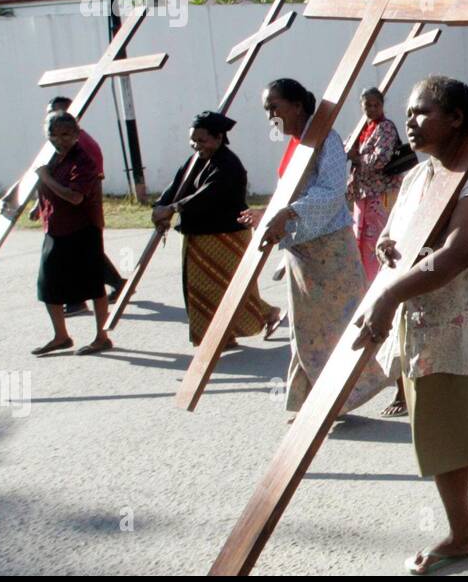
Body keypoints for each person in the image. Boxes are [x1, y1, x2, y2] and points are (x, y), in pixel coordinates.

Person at [354, 76, 468, 574]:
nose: (410, 122)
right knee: (444, 439)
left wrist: (391, 292)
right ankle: (463, 532)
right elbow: (395, 236)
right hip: (430, 337)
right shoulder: (418, 176)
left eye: (421, 112)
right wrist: (388, 249)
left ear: (456, 118)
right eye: (409, 113)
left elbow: (458, 254)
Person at [240, 78, 389, 419]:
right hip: (301, 254)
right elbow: (289, 192)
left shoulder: (326, 140)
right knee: (305, 332)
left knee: (339, 329)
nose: (270, 115)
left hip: (330, 253)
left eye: (274, 106)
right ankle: (314, 402)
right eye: (266, 109)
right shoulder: (296, 143)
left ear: (297, 105)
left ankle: (341, 399)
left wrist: (287, 214)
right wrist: (268, 214)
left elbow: (330, 192)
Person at [151, 111, 280, 349]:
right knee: (201, 289)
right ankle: (222, 336)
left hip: (227, 235)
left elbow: (207, 195)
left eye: (202, 140)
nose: (197, 145)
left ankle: (265, 315)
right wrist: (160, 206)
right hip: (199, 236)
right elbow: (176, 186)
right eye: (193, 140)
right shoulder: (194, 161)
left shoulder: (229, 165)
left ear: (219, 138)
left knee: (228, 286)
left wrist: (173, 208)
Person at [0, 96, 127, 316]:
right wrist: (24, 200)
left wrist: (47, 184)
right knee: (62, 272)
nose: (57, 135)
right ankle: (67, 325)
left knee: (88, 269)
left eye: (55, 113)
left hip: (82, 220)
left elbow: (75, 188)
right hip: (58, 221)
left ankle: (98, 325)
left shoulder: (81, 148)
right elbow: (37, 172)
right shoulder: (55, 146)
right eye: (49, 116)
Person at [21, 113, 114, 356]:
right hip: (55, 228)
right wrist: (37, 207)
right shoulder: (52, 158)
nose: (59, 139)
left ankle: (102, 336)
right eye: (53, 134)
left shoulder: (83, 161)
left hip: (83, 229)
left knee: (93, 285)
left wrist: (45, 178)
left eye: (65, 134)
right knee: (47, 285)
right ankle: (61, 336)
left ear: (76, 134)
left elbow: (74, 197)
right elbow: (47, 188)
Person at [346, 87, 404, 282]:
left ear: (382, 105)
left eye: (376, 105)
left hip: (381, 193)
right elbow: (347, 147)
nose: (372, 108)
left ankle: (381, 280)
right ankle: (366, 281)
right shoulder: (363, 128)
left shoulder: (385, 127)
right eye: (367, 105)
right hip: (364, 194)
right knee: (360, 240)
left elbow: (381, 158)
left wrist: (357, 158)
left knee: (378, 240)